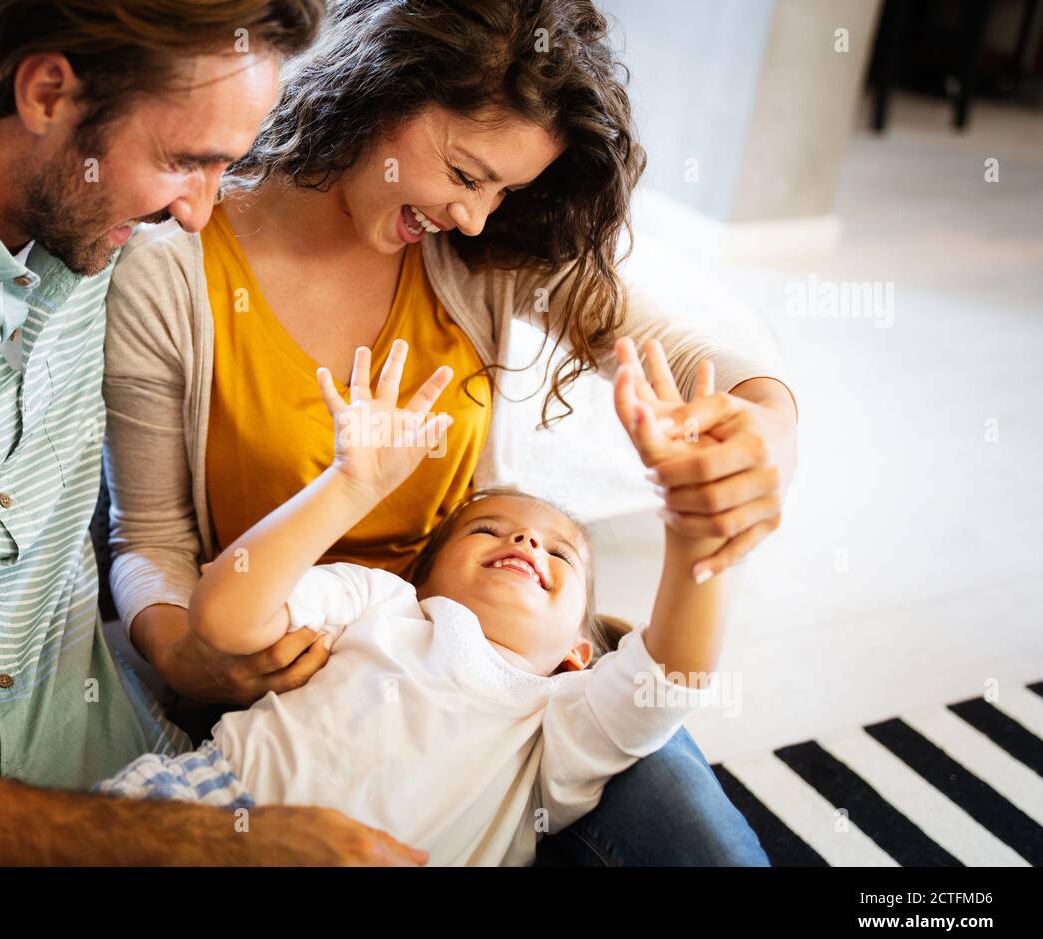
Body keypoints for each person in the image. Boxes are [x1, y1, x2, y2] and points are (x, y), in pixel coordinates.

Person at [104, 0, 795, 864]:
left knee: (710, 854)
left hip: (499, 666)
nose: (476, 216)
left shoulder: (478, 250)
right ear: (379, 92)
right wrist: (188, 657)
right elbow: (148, 538)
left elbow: (695, 350)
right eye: (467, 173)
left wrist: (768, 428)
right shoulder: (175, 269)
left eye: (505, 190)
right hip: (281, 667)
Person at [0, 0, 429, 866]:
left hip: (135, 769)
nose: (198, 214)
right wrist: (192, 849)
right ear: (44, 92)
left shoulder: (83, 229)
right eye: (185, 163)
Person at [96, 339, 730, 866]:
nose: (527, 540)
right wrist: (347, 485)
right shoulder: (381, 602)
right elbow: (223, 619)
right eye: (487, 529)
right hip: (204, 814)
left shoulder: (558, 721)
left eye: (559, 554)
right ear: (425, 583)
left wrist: (694, 524)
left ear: (577, 653)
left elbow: (671, 678)